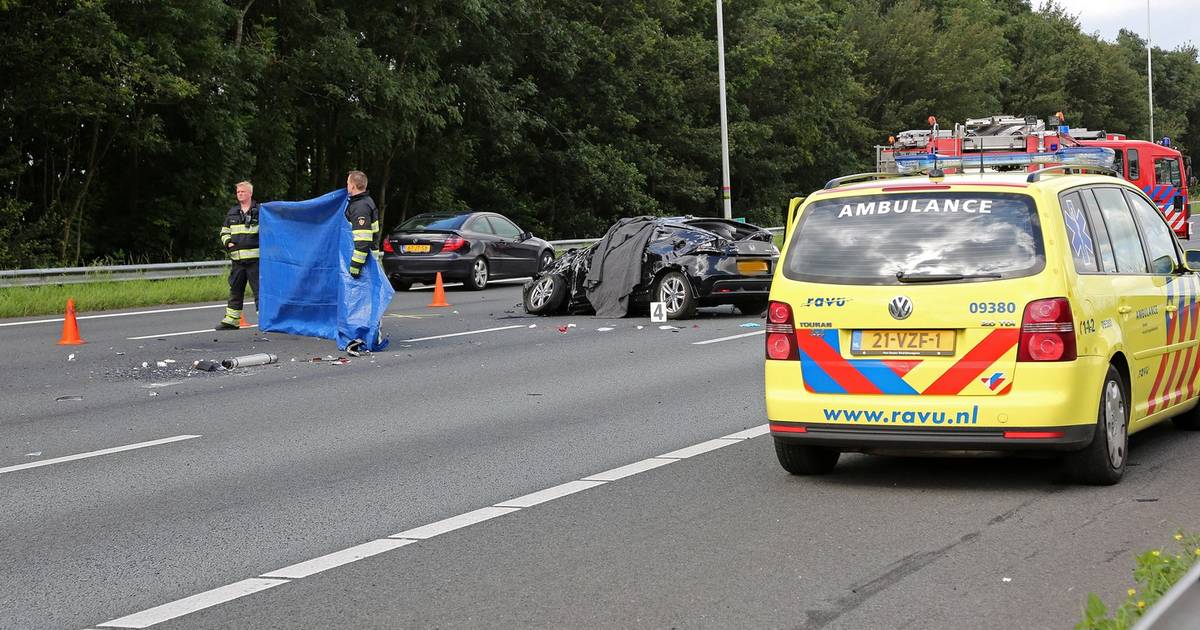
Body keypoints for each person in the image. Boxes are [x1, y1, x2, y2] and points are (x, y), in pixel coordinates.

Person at [215, 180, 260, 330]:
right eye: (238, 192)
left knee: (260, 291)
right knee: (235, 289)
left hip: (256, 260)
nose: (240, 194)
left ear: (250, 193)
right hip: (238, 259)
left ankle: (265, 320)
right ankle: (232, 319)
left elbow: (269, 233)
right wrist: (228, 243)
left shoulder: (260, 211)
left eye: (243, 192)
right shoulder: (232, 212)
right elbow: (224, 231)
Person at [344, 170, 380, 354]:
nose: (346, 186)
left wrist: (355, 265)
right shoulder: (363, 202)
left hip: (364, 262)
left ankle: (366, 338)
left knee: (362, 301)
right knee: (367, 301)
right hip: (368, 259)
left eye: (348, 183)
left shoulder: (360, 207)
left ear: (353, 185)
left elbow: (363, 239)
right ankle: (367, 336)